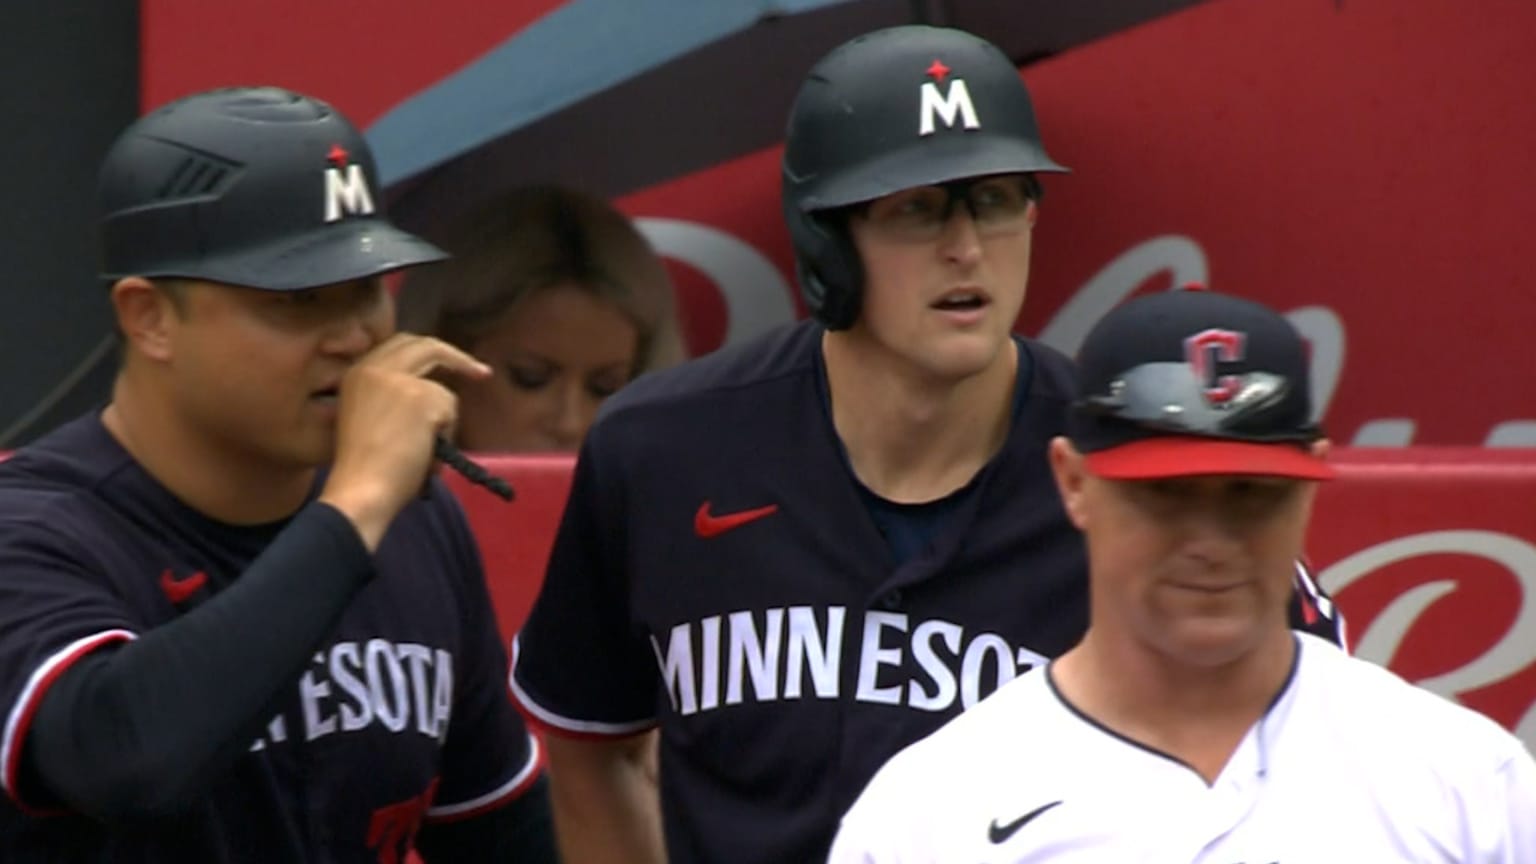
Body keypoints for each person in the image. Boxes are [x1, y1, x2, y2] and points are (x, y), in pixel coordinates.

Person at [509, 24, 1342, 864]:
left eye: (996, 199)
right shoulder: (661, 448)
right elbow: (592, 745)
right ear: (827, 240)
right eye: (917, 208)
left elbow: (1308, 763)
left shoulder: (1128, 468)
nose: (966, 248)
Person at [0, 87, 558, 862]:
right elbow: (131, 763)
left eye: (366, 288)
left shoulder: (413, 521)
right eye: (299, 299)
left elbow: (503, 834)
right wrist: (357, 502)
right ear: (150, 317)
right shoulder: (29, 531)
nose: (354, 335)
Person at [828, 288, 1536, 862]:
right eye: (1166, 494)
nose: (1211, 541)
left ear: (1312, 486)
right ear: (1073, 482)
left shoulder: (1464, 781)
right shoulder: (934, 810)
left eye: (1251, 493)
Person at [397, 184, 685, 453]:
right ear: (443, 366)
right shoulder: (367, 498)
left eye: (605, 388)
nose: (570, 424)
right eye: (531, 378)